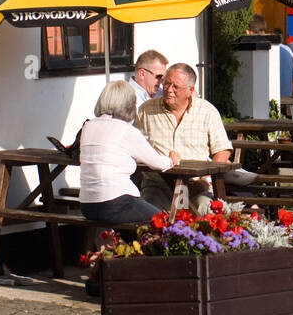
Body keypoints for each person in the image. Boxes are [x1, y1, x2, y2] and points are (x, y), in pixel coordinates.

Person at [134, 63, 231, 214]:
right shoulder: (146, 110)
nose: (168, 90)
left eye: (175, 86)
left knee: (206, 213)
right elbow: (135, 145)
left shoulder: (207, 111)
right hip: (158, 186)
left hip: (197, 186)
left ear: (190, 90)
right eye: (166, 83)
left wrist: (207, 177)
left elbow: (223, 150)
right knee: (149, 216)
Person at [80, 81, 178, 224]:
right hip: (115, 202)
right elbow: (157, 163)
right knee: (163, 221)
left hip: (87, 205)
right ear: (129, 104)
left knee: (130, 229)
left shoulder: (88, 126)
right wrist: (172, 160)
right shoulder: (125, 130)